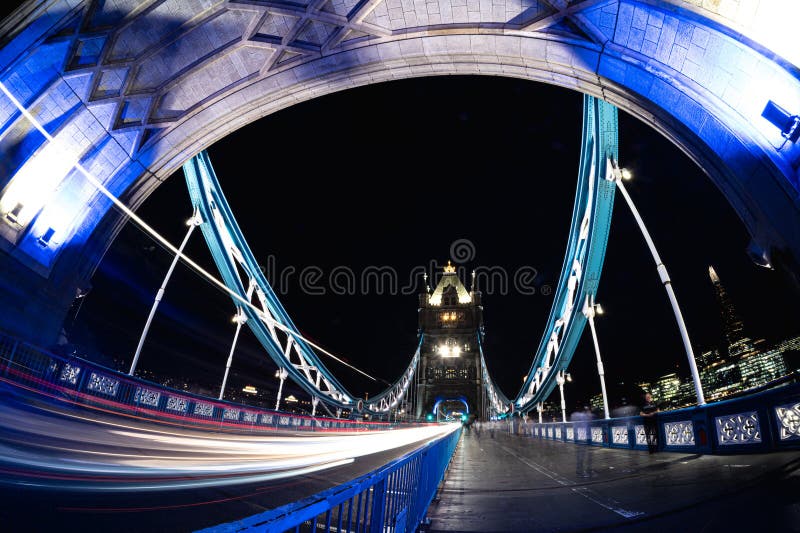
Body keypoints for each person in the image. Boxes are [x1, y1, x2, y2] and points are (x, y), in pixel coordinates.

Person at [570, 403, 594, 478]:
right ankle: (582, 471)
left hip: (577, 436)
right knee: (584, 455)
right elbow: (590, 419)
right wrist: (588, 412)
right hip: (583, 436)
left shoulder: (573, 415)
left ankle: (579, 470)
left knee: (580, 455)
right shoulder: (583, 415)